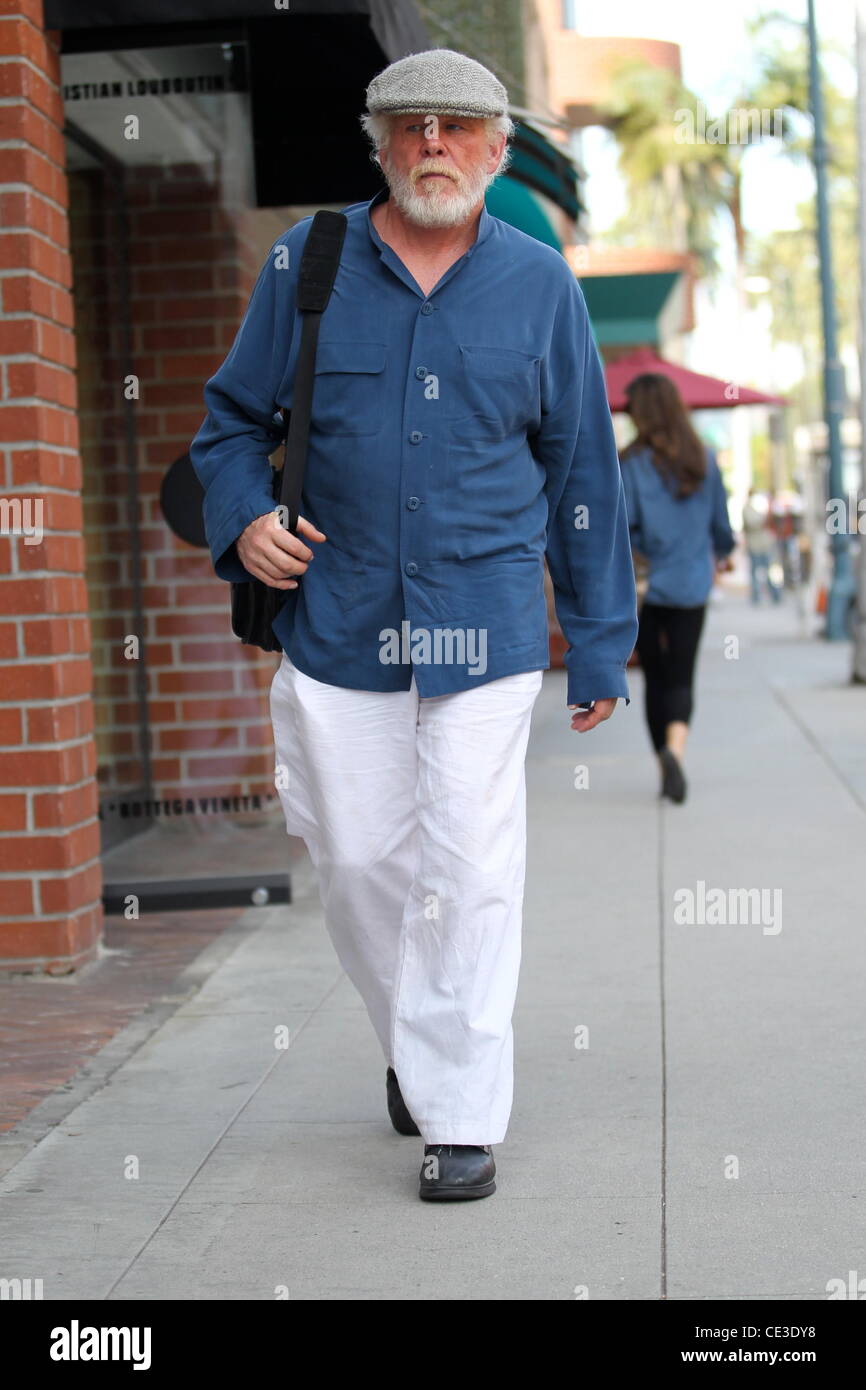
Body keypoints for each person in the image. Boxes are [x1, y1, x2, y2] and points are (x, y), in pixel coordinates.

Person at [190, 49, 637, 1202]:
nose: (433, 143)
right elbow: (231, 423)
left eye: (457, 127)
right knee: (352, 857)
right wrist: (244, 521)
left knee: (472, 865)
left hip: (484, 627)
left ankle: (459, 1116)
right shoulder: (309, 260)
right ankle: (417, 1039)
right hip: (336, 622)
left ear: (494, 149)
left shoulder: (541, 286)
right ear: (378, 143)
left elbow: (583, 467)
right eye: (411, 125)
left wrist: (595, 638)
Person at [620, 373, 735, 804]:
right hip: (691, 584)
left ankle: (661, 761)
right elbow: (721, 527)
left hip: (648, 588)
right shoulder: (703, 459)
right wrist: (722, 552)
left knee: (655, 675)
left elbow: (624, 528)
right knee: (683, 674)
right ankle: (676, 748)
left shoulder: (629, 464)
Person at [742, 487, 781, 605]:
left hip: (764, 544)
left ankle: (775, 595)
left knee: (769, 570)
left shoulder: (757, 508)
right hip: (755, 545)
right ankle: (756, 596)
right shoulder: (748, 509)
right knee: (756, 572)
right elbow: (753, 523)